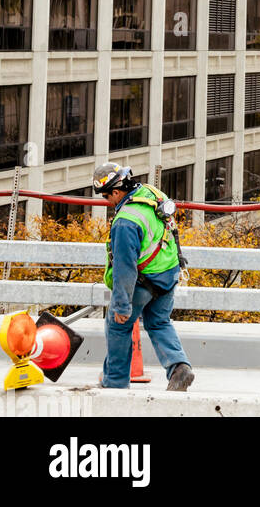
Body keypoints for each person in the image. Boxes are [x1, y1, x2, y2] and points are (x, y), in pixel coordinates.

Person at [92, 162, 194, 391]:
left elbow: (124, 268)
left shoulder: (125, 222)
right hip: (168, 272)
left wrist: (121, 305)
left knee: (118, 326)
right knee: (159, 322)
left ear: (116, 192)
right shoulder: (150, 192)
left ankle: (115, 383)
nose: (107, 202)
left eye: (107, 197)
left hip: (143, 281)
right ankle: (179, 368)